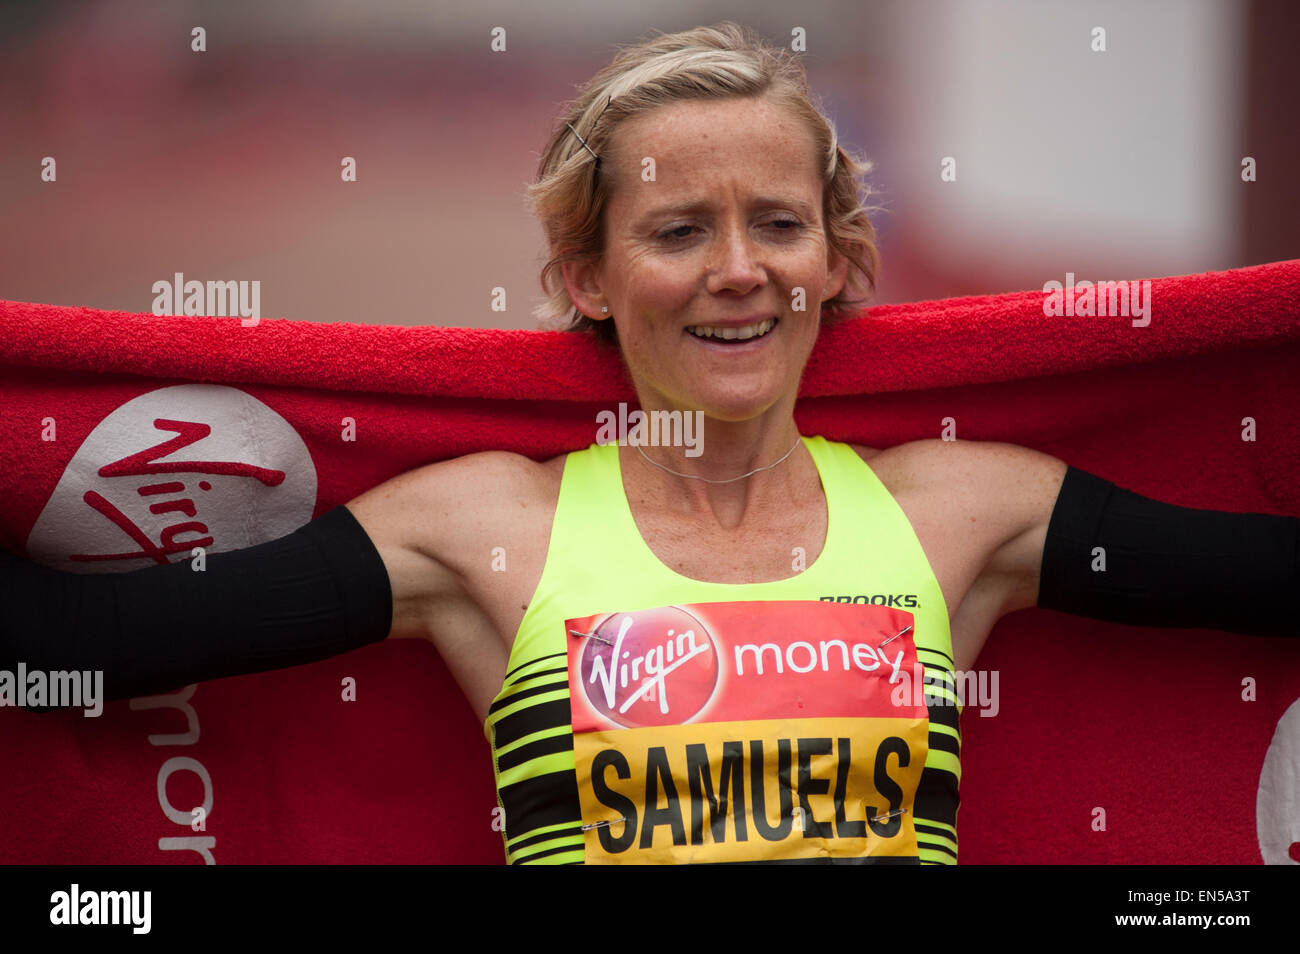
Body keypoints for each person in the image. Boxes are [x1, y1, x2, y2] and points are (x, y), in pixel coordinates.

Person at [2, 22, 1295, 865]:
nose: (738, 271)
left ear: (840, 259)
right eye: (678, 232)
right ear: (588, 278)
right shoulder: (486, 529)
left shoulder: (965, 511)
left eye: (779, 225)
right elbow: (81, 647)